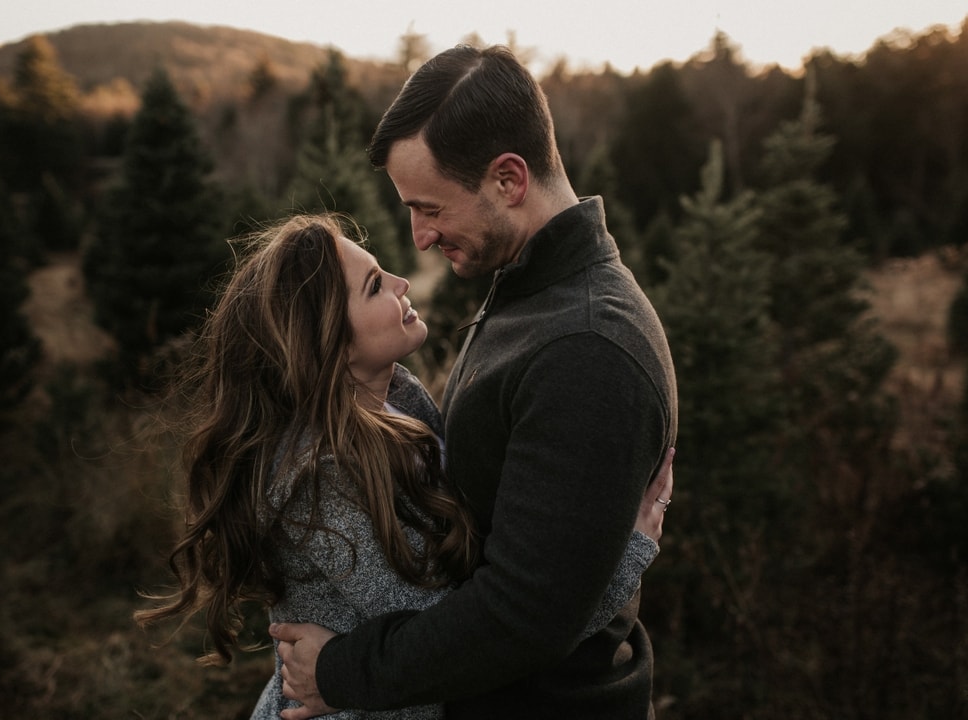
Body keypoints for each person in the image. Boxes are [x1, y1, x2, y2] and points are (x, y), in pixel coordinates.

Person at [270, 45, 678, 720]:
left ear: (509, 181)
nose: (419, 237)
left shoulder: (586, 350)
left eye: (429, 208)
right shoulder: (530, 290)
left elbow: (522, 618)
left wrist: (341, 670)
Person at [134, 212, 675, 720]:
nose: (402, 282)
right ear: (327, 344)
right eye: (373, 285)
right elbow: (468, 642)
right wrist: (625, 557)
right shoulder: (323, 481)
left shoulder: (398, 397)